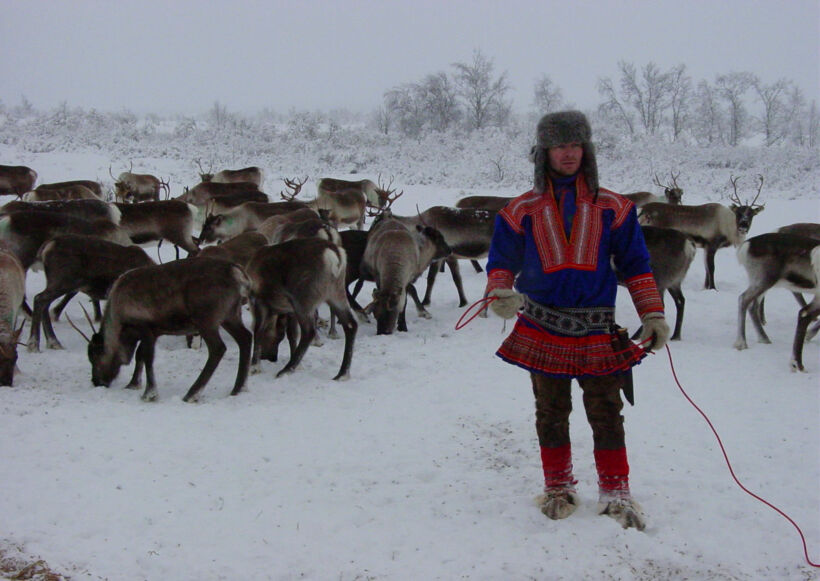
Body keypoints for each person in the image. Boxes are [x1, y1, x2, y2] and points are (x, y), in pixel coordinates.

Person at [484, 110, 670, 531]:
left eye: (575, 145)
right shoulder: (520, 210)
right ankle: (558, 485)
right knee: (550, 409)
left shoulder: (615, 207)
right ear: (543, 152)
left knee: (606, 409)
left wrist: (652, 313)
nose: (568, 153)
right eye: (559, 145)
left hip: (597, 326)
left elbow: (637, 265)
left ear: (586, 150)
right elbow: (502, 260)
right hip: (540, 324)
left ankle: (616, 490)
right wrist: (500, 292)